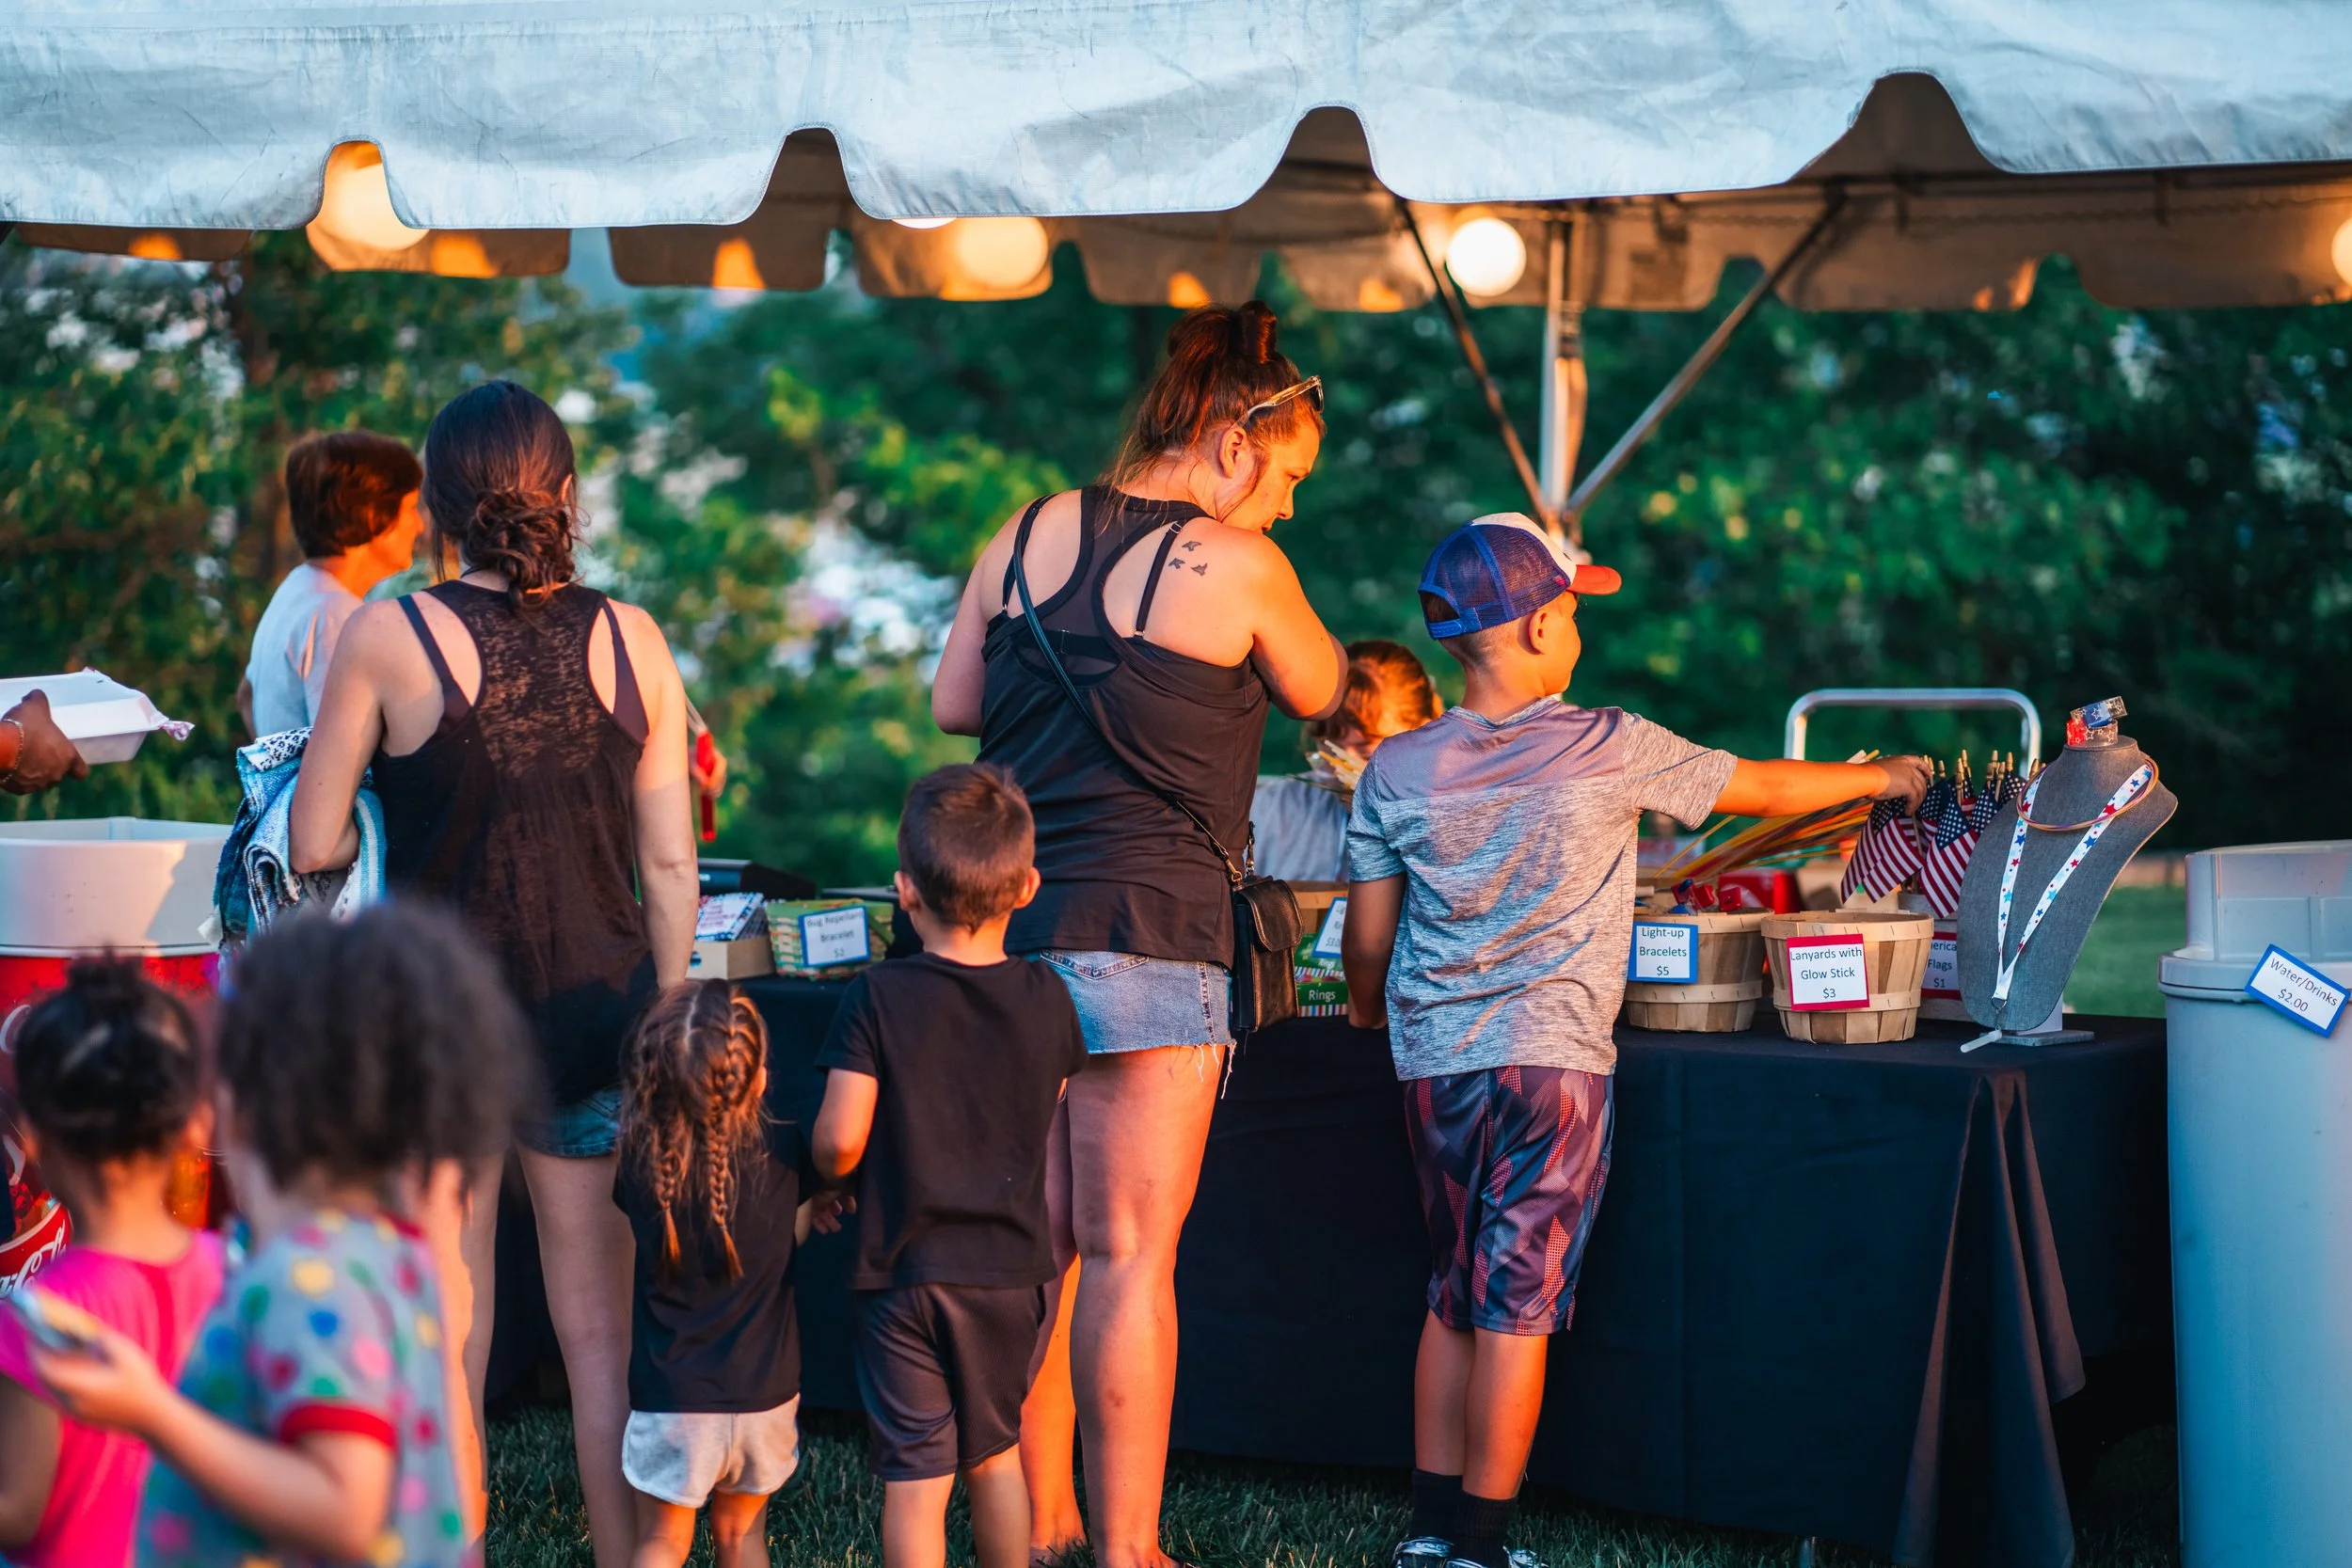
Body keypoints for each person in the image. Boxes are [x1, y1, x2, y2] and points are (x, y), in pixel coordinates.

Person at [1339, 514, 1930, 1568]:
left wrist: (1361, 1011)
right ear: (1528, 629)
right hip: (1554, 1059)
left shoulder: (1396, 768)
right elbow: (1753, 784)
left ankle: (1428, 1531)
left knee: (1451, 1289)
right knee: (1516, 1300)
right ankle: (1479, 1543)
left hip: (1433, 1056)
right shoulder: (1604, 741)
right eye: (1567, 610)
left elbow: (1369, 932)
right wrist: (1880, 781)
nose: (1576, 627)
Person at [930, 301, 1346, 1568]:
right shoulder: (1240, 563)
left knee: (1040, 1252)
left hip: (1007, 938)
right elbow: (1327, 688)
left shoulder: (1018, 535)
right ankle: (1127, 1547)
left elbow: (954, 701)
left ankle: (1038, 1525)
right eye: (1283, 479)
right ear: (1233, 438)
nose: (1282, 510)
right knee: (1127, 1256)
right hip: (1158, 937)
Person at [290, 379, 699, 1568]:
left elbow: (312, 845)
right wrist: (664, 1011)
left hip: (443, 1032)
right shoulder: (636, 637)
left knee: (449, 1323)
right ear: (565, 494)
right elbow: (669, 864)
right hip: (599, 1013)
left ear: (441, 508)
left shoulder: (385, 633)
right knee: (598, 1334)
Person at [29, 903, 527, 1568]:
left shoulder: (303, 1277)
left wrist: (152, 1413)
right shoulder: (394, 1253)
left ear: (241, 1101)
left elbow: (345, 1507)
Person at [810, 765, 1089, 1568]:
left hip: (904, 1271)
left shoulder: (875, 995)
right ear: (1028, 886)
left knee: (917, 1474)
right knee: (994, 1455)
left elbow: (840, 1141)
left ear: (905, 890)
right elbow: (1055, 1091)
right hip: (1012, 1274)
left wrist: (829, 1180)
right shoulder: (1049, 996)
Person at [0, 958, 223, 1568]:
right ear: (189, 1126)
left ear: (37, 1138)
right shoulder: (232, 1275)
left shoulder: (38, 1315)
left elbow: (18, 1508)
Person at [613, 979, 829, 1568]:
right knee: (742, 1537)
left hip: (673, 1401)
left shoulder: (641, 1164)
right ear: (758, 1080)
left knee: (661, 1541)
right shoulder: (786, 1152)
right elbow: (797, 1235)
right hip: (765, 1399)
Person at [240, 431, 427, 736]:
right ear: (371, 513)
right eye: (409, 508)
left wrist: (275, 779)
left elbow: (246, 695)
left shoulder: (298, 588)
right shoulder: (336, 617)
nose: (418, 525)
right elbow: (346, 750)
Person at [1250, 639, 1442, 882]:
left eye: (1365, 752)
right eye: (1331, 750)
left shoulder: (1452, 818)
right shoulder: (1271, 810)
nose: (1343, 769)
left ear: (1424, 733)